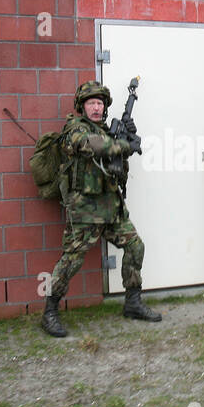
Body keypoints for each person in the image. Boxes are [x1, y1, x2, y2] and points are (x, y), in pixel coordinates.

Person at [41, 80, 160, 337]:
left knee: (135, 246)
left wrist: (130, 135)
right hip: (85, 210)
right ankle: (50, 310)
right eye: (91, 103)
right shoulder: (74, 130)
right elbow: (93, 146)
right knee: (71, 260)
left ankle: (133, 302)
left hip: (111, 206)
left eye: (100, 103)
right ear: (82, 107)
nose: (96, 107)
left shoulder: (107, 131)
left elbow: (117, 158)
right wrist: (123, 145)